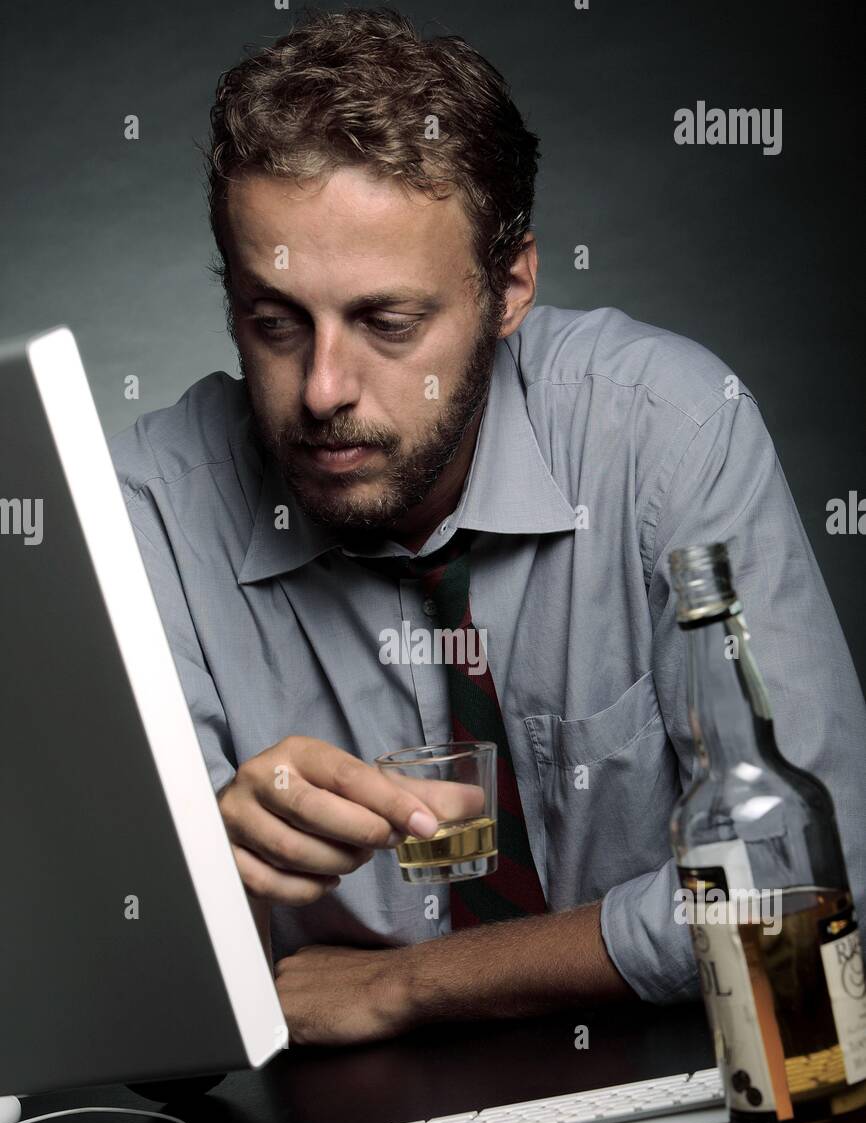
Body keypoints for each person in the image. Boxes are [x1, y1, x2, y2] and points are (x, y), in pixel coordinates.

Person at [111, 8, 866, 1045]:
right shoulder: (149, 501)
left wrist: (410, 983)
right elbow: (147, 1017)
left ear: (508, 286)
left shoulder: (667, 430)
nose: (322, 389)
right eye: (272, 321)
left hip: (685, 1105)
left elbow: (807, 879)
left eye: (387, 323)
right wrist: (207, 883)